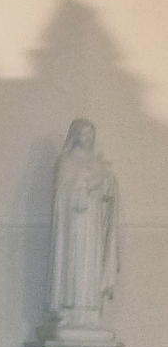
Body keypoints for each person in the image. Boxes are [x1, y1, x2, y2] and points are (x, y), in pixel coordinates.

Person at [47, 119, 120, 333]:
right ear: (75, 136)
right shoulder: (66, 161)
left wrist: (107, 185)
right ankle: (69, 312)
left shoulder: (97, 163)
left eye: (90, 134)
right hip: (73, 227)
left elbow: (108, 196)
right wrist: (82, 187)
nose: (87, 138)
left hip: (93, 225)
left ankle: (89, 313)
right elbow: (62, 194)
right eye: (83, 133)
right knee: (74, 264)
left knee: (91, 264)